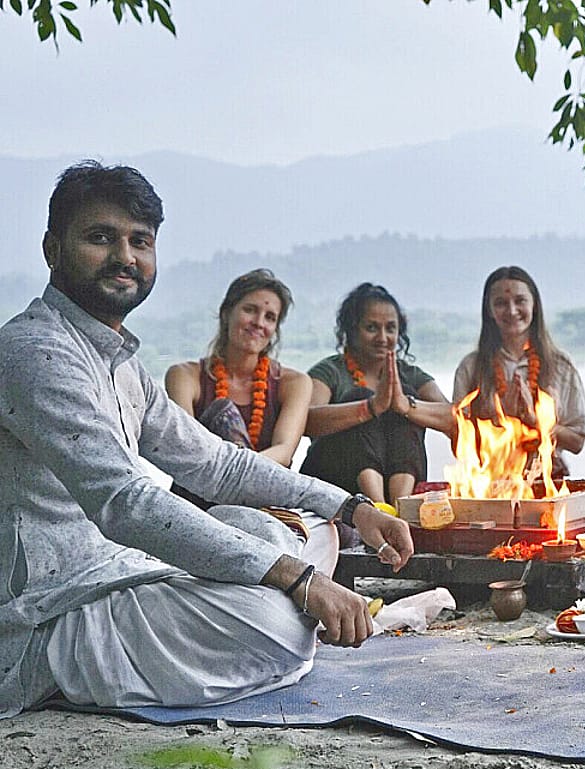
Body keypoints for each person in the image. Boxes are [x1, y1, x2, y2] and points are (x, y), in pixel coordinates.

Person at [0, 161, 413, 719]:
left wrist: (349, 506)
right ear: (53, 248)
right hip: (55, 614)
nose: (125, 257)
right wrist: (298, 579)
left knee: (275, 529)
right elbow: (125, 502)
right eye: (101, 238)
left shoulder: (119, 364)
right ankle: (281, 632)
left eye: (139, 241)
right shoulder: (37, 353)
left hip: (123, 574)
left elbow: (220, 466)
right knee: (275, 618)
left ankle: (287, 618)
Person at [301, 284, 454, 503]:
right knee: (358, 396)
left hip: (398, 493)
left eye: (390, 328)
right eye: (372, 328)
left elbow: (454, 418)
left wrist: (406, 406)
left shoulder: (408, 374)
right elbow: (306, 421)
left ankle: (400, 507)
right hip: (337, 487)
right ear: (352, 331)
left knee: (406, 403)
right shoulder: (330, 371)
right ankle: (378, 508)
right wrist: (369, 408)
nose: (382, 337)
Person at [165, 269, 312, 472]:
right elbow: (187, 448)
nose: (259, 323)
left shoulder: (294, 383)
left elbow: (284, 452)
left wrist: (238, 476)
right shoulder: (184, 376)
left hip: (260, 494)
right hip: (199, 492)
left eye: (270, 317)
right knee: (222, 411)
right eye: (250, 310)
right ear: (226, 314)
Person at [452, 266, 585, 477]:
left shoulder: (561, 366)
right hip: (490, 484)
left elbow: (577, 443)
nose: (512, 310)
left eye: (520, 301)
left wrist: (538, 423)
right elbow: (459, 441)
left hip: (548, 481)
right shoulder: (471, 367)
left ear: (534, 305)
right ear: (488, 310)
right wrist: (502, 423)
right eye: (500, 303)